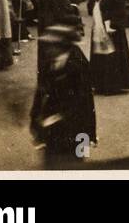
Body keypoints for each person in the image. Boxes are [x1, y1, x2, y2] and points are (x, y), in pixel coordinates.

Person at [30, 21, 97, 169]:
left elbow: (83, 103)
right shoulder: (51, 62)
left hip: (74, 126)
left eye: (51, 45)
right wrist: (35, 118)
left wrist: (56, 119)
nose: (47, 49)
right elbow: (41, 91)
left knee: (74, 164)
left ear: (61, 46)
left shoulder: (77, 66)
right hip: (54, 127)